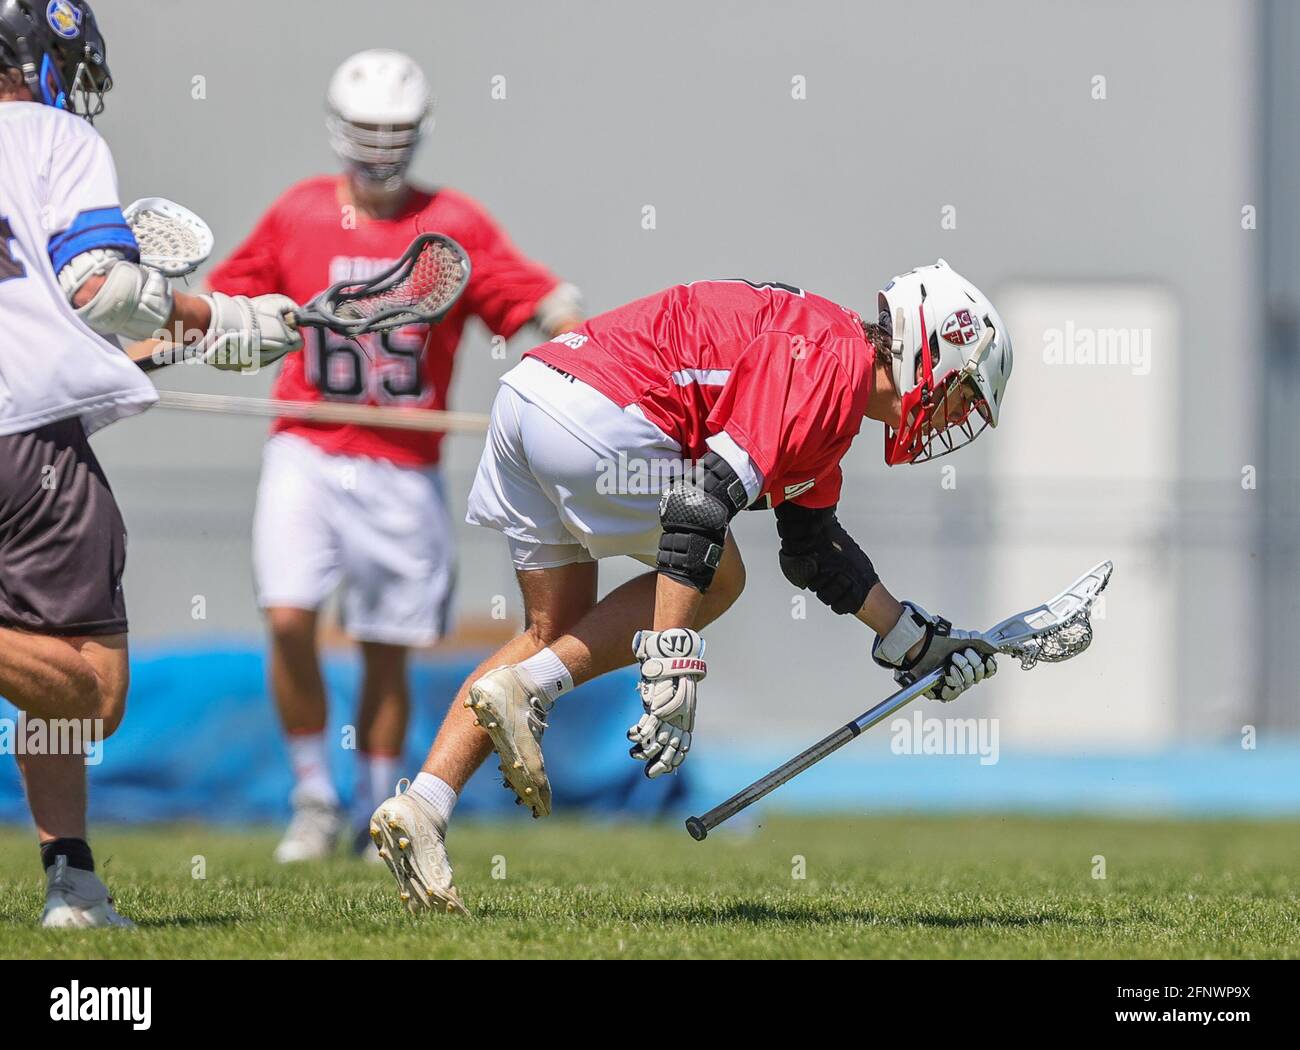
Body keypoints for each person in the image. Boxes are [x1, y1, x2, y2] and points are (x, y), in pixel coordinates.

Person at [369, 263, 1014, 915]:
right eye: (964, 393)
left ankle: (424, 803)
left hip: (533, 399)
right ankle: (534, 686)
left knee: (548, 633)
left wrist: (912, 641)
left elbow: (818, 555)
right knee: (723, 575)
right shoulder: (830, 364)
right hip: (599, 416)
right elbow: (700, 505)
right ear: (933, 352)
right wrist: (671, 658)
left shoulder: (830, 373)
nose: (956, 416)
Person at [207, 49, 584, 863]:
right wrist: (213, 322)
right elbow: (225, 301)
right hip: (306, 447)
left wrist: (573, 322)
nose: (380, 149)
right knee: (287, 615)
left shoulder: (456, 223)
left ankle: (380, 806)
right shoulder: (298, 213)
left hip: (403, 463)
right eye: (368, 131)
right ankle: (313, 795)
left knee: (385, 645)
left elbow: (536, 300)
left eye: (395, 132)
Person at [0, 0, 300, 926]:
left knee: (39, 672)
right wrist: (221, 317)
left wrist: (199, 342)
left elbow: (56, 322)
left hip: (31, 421)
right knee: (89, 687)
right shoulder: (51, 136)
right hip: (25, 441)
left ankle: (73, 885)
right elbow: (99, 288)